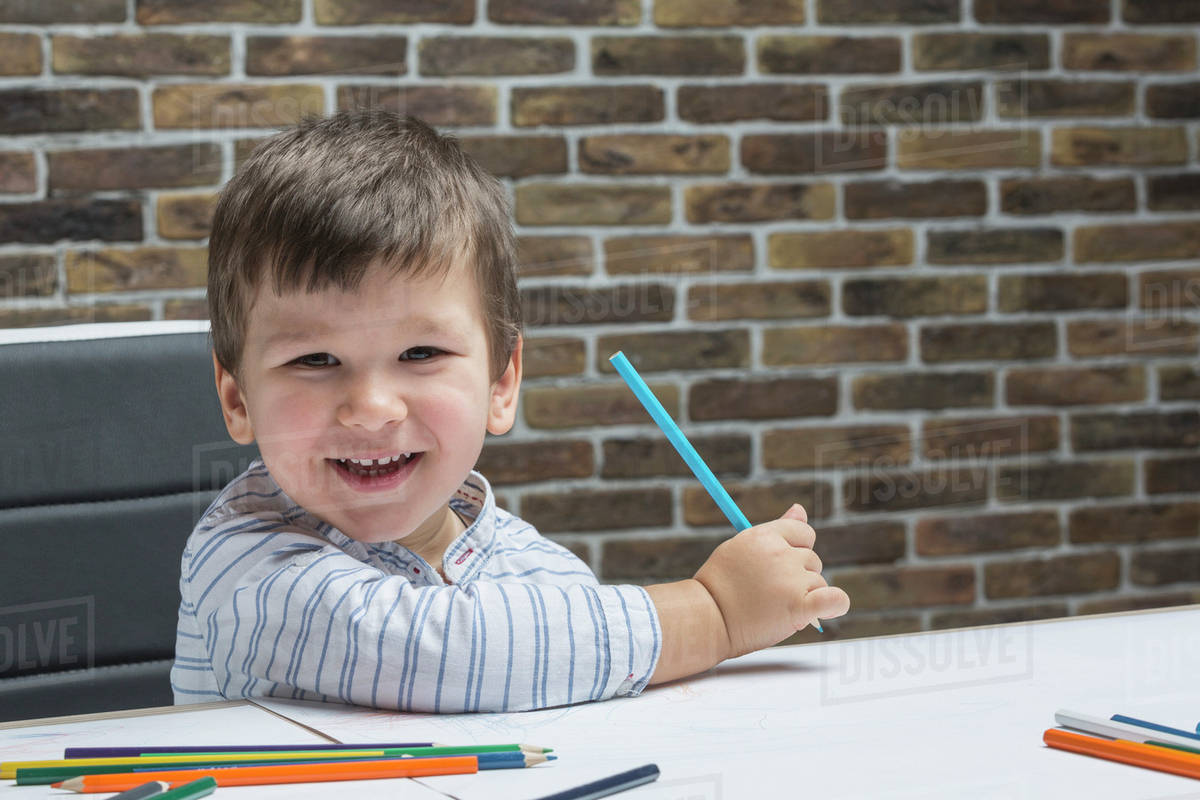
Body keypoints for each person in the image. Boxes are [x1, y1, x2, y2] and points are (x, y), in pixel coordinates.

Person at [172, 110, 850, 712]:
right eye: (315, 361)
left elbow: (574, 681)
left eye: (420, 353)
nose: (372, 410)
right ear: (238, 399)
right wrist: (717, 612)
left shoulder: (537, 566)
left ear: (501, 383)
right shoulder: (246, 565)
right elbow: (442, 655)